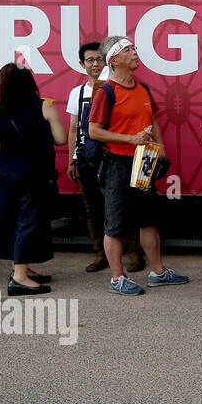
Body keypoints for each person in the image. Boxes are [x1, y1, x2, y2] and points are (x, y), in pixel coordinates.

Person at [88, 36, 189, 295]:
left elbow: (152, 120)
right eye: (129, 50)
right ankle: (117, 278)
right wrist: (129, 139)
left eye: (134, 48)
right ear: (114, 59)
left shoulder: (142, 87)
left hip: (143, 161)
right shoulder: (105, 92)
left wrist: (161, 150)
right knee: (115, 223)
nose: (135, 52)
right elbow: (94, 132)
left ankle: (158, 272)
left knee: (148, 219)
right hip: (116, 164)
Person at [0, 64, 66, 295]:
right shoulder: (44, 107)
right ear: (29, 83)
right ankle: (19, 277)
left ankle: (20, 269)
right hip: (34, 173)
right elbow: (60, 139)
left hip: (7, 174)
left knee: (12, 219)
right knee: (28, 221)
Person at [66, 42, 141, 274]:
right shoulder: (77, 93)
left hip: (114, 156)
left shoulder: (114, 88)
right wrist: (72, 159)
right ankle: (101, 254)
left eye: (99, 59)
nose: (95, 64)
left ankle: (133, 253)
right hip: (87, 158)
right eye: (90, 60)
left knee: (123, 205)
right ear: (82, 65)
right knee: (93, 209)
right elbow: (73, 128)